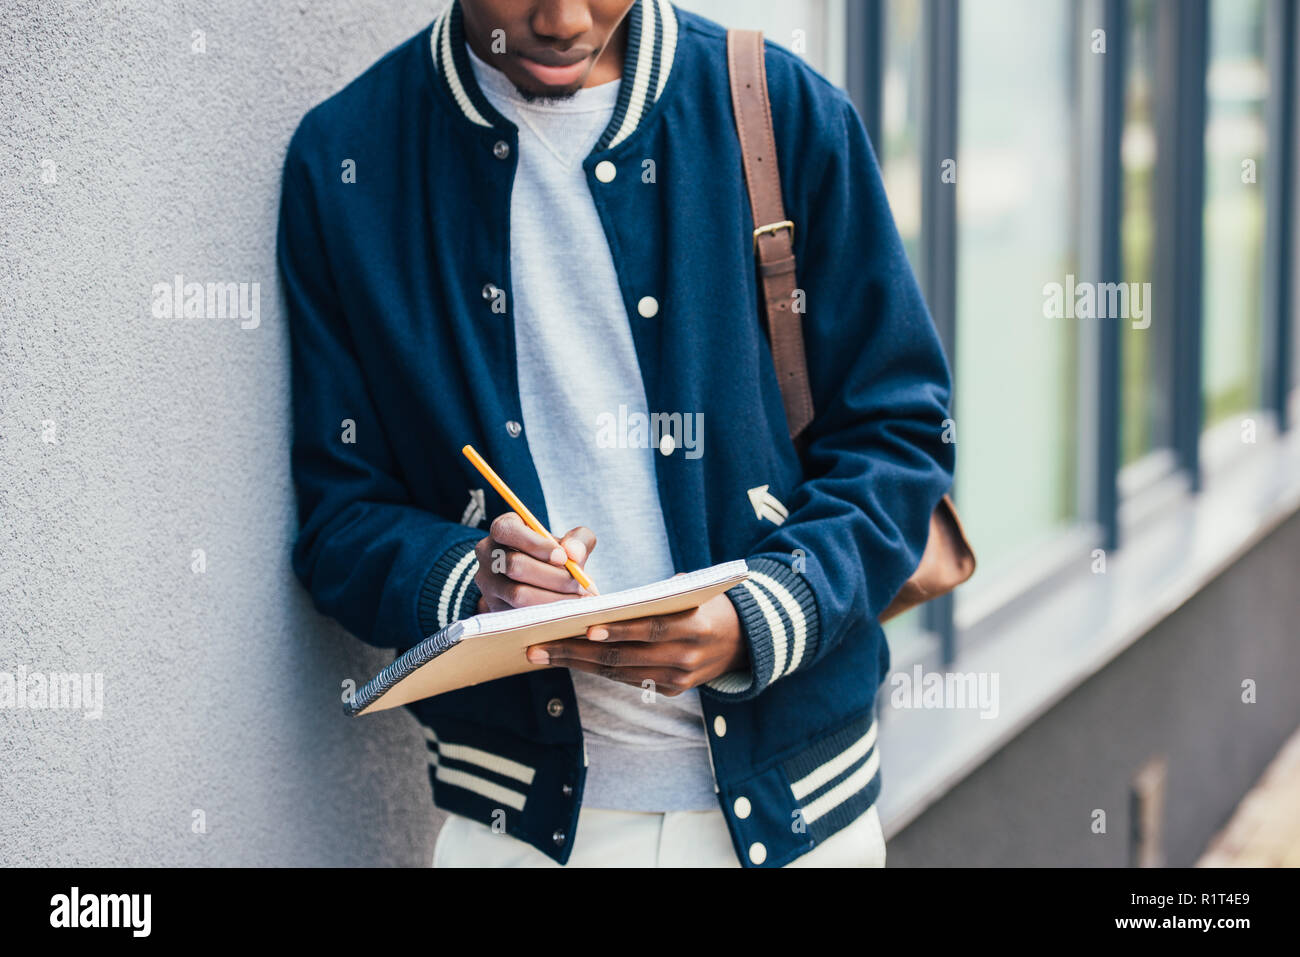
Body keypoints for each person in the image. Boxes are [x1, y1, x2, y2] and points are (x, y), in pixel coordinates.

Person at [277, 0, 954, 867]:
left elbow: (901, 434)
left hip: (802, 823)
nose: (562, 20)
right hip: (517, 835)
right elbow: (340, 518)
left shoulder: (781, 108)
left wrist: (760, 615)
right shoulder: (349, 160)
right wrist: (474, 585)